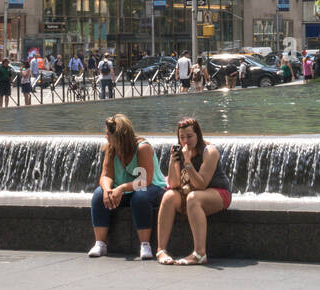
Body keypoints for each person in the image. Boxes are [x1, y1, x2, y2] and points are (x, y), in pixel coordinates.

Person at [89, 113, 166, 260]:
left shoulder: (142, 148)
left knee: (140, 198)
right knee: (99, 195)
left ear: (118, 136)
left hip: (152, 187)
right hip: (122, 189)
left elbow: (145, 180)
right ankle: (100, 243)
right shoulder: (110, 149)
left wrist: (122, 188)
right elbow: (106, 175)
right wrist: (107, 190)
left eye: (107, 134)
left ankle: (145, 244)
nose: (105, 137)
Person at [155, 117, 231, 266]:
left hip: (217, 193)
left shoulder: (209, 152)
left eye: (189, 136)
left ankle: (199, 254)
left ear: (198, 135)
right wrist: (173, 161)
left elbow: (201, 184)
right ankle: (161, 250)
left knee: (193, 198)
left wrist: (188, 163)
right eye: (182, 137)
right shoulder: (180, 151)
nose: (185, 141)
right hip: (189, 192)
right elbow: (173, 183)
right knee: (169, 196)